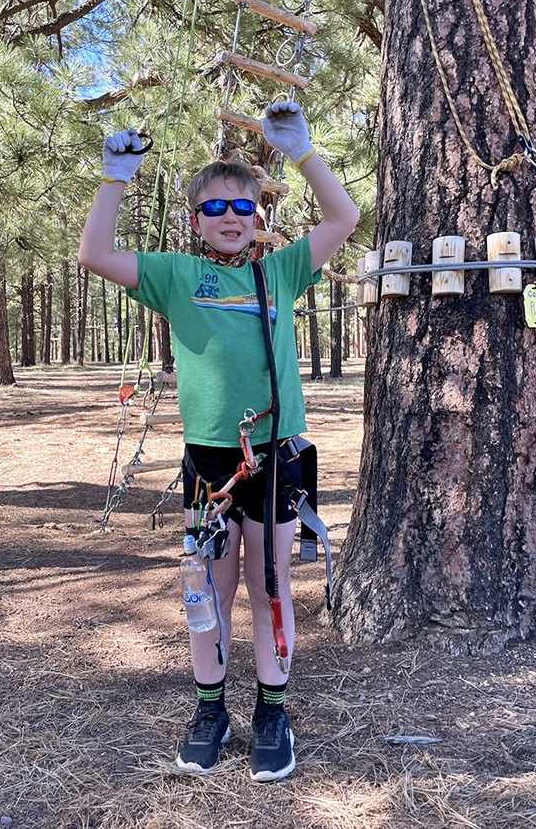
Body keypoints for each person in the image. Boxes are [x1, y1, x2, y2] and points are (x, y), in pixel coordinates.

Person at [78, 102, 359, 781]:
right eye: (214, 208)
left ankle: (271, 710)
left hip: (275, 458)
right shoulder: (176, 275)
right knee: (205, 588)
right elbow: (92, 254)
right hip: (209, 464)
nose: (231, 216)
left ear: (259, 215)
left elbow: (343, 220)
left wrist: (302, 151)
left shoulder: (283, 270)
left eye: (243, 204)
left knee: (269, 591)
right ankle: (211, 709)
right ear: (195, 219)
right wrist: (114, 177)